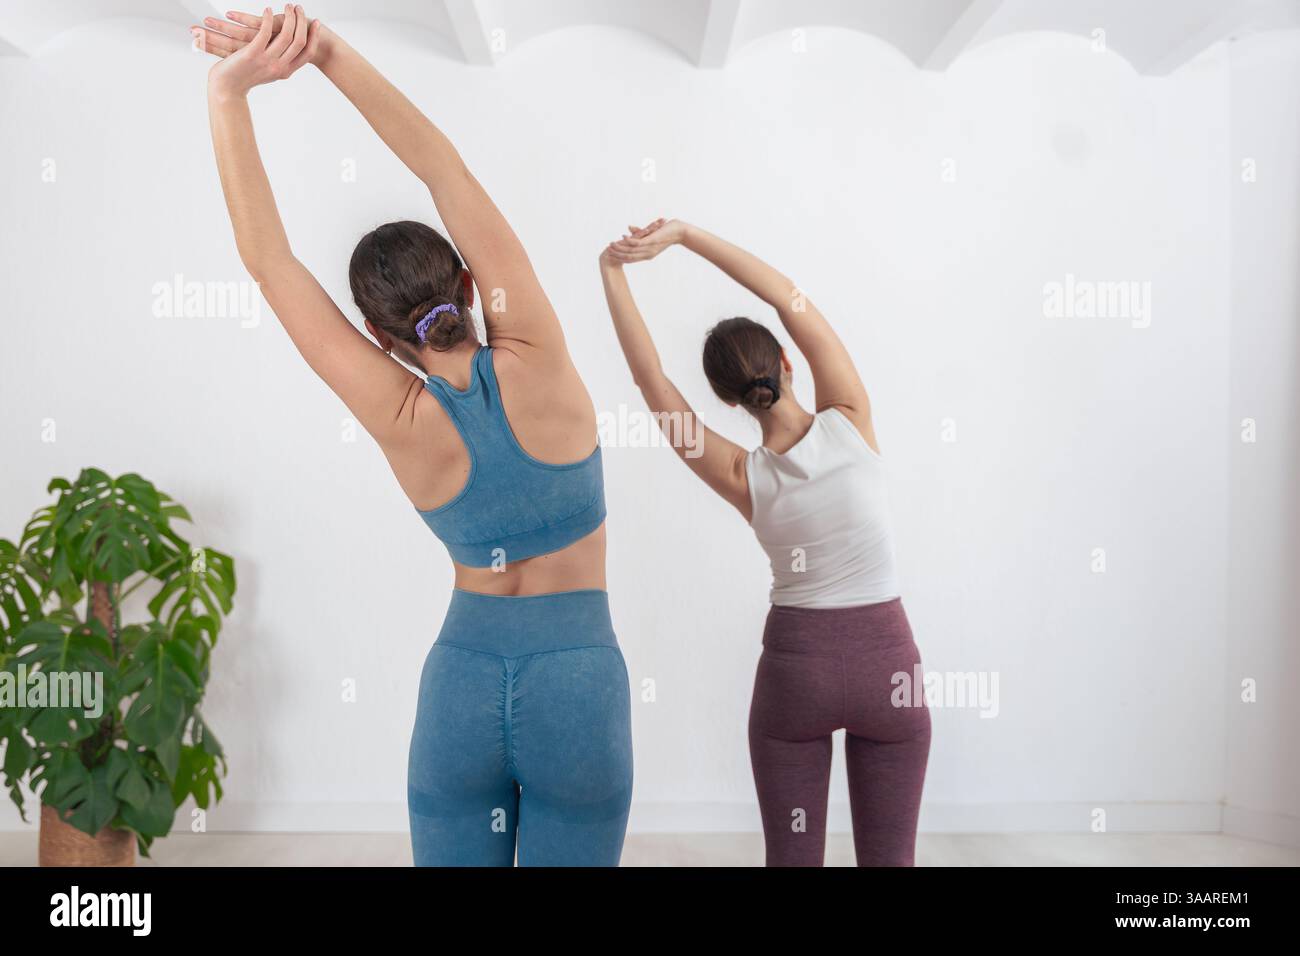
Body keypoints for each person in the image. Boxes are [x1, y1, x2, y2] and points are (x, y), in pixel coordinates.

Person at [195, 6, 631, 866]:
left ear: (373, 329)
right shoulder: (537, 356)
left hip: (460, 686)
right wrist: (324, 52)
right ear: (468, 282)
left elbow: (268, 261)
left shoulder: (400, 416)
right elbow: (441, 168)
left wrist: (226, 93)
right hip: (577, 684)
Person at [599, 218, 929, 866]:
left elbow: (652, 384)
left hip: (795, 677)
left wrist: (612, 271)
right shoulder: (850, 418)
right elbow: (788, 297)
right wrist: (687, 237)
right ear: (785, 360)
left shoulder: (742, 475)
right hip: (889, 671)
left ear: (729, 401)